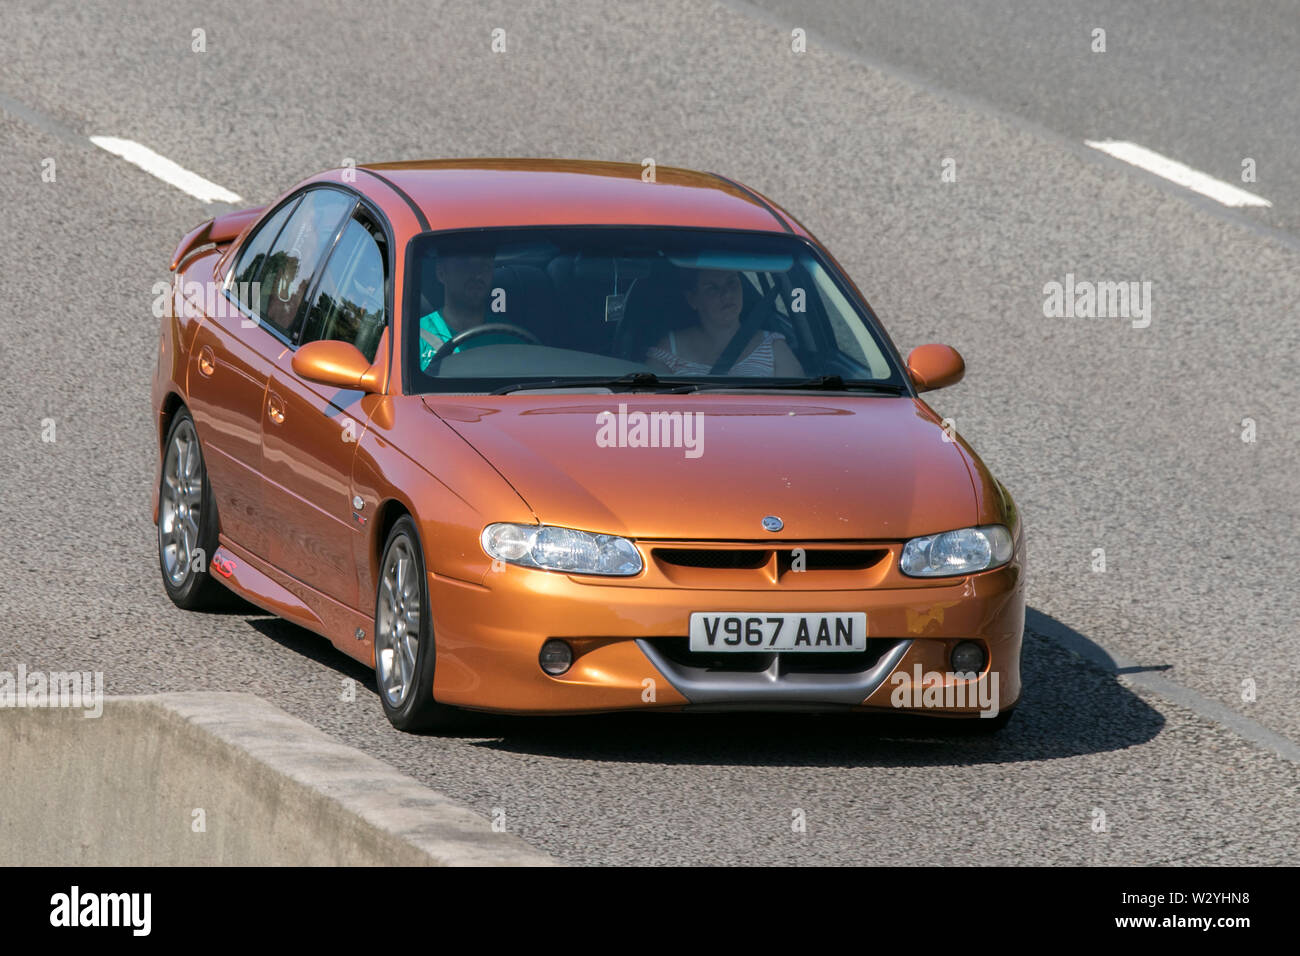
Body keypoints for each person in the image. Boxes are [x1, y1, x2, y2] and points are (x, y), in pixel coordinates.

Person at [644, 269, 803, 376]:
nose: (726, 294)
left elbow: (799, 409)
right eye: (712, 288)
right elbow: (653, 409)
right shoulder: (669, 350)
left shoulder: (773, 347)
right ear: (692, 299)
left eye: (732, 283)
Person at [418, 250, 527, 371]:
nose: (477, 275)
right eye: (466, 266)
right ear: (441, 273)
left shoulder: (509, 337)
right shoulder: (416, 336)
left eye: (485, 267)